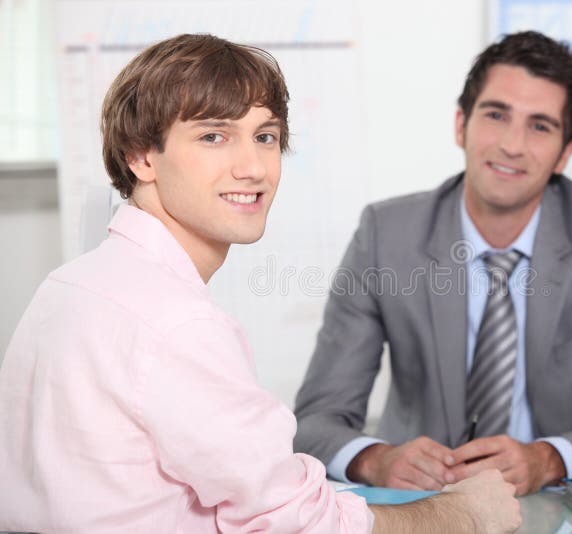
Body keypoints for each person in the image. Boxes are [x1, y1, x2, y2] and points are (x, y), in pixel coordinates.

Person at [0, 34, 522, 533]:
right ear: (141, 156)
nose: (253, 168)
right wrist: (465, 516)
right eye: (213, 136)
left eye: (265, 137)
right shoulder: (176, 324)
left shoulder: (70, 283)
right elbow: (300, 526)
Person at [294, 30, 572, 496]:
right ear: (460, 124)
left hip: (557, 498)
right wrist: (376, 460)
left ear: (565, 153)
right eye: (496, 115)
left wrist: (548, 458)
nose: (512, 144)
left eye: (540, 126)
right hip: (419, 500)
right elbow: (315, 419)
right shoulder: (386, 234)